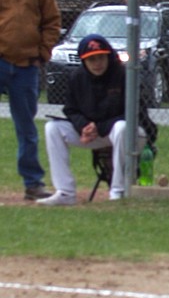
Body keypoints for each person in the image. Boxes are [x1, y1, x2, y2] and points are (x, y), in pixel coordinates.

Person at [37, 34, 158, 206]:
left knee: (122, 127)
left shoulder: (123, 75)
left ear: (108, 56)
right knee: (52, 128)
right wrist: (83, 126)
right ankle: (65, 192)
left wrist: (98, 127)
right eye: (91, 59)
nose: (97, 63)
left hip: (131, 134)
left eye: (100, 57)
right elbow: (70, 110)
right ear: (83, 61)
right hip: (94, 134)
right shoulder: (77, 77)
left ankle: (118, 190)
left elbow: (136, 114)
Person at [0, 0, 61, 201]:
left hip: (26, 67)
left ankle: (33, 183)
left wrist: (43, 53)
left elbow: (52, 22)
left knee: (26, 127)